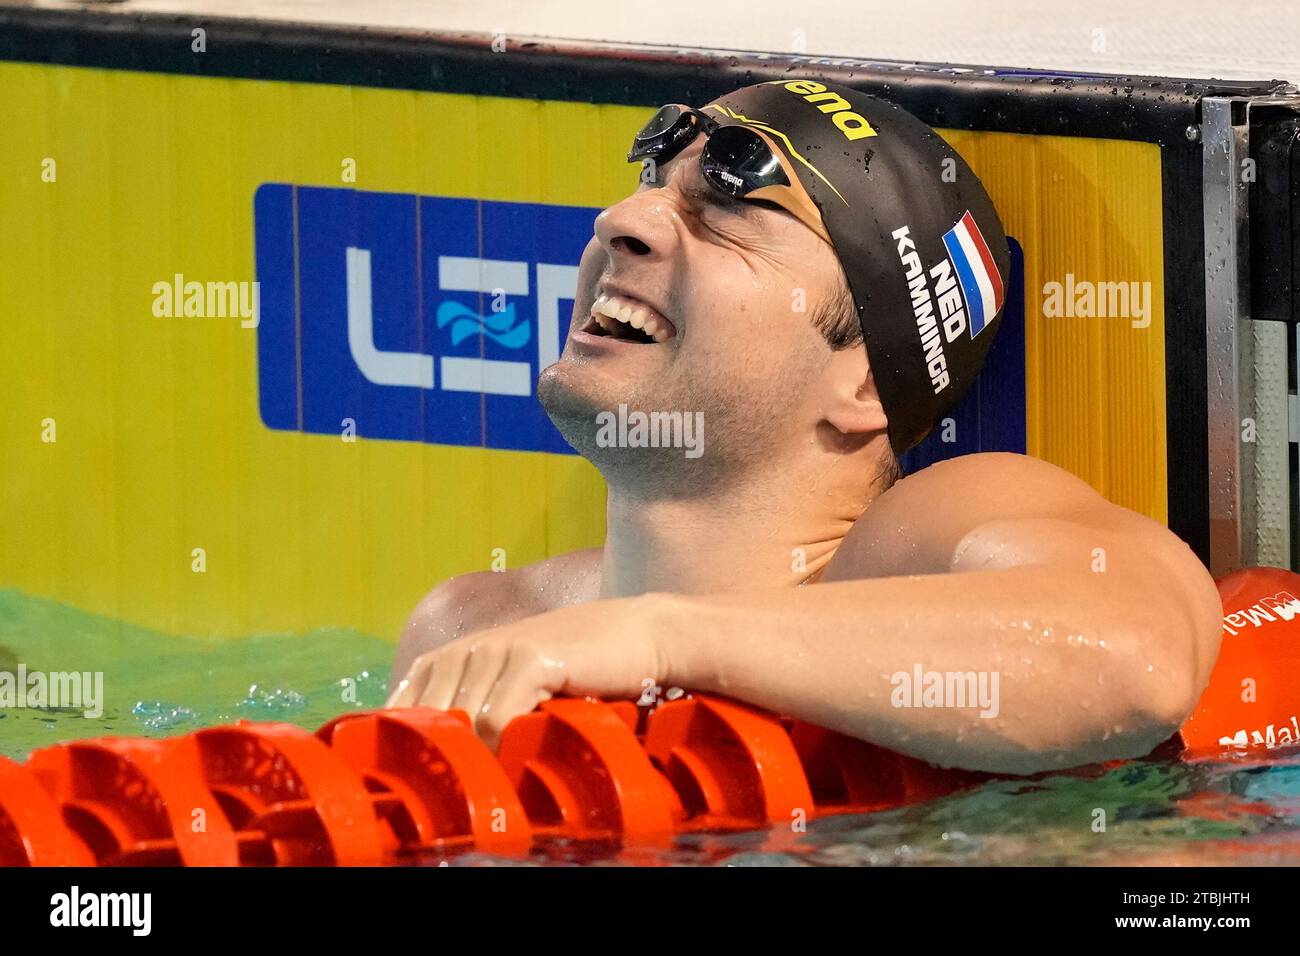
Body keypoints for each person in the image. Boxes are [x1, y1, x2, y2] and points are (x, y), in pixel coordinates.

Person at [386, 79, 1222, 776]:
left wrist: (662, 633)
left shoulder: (923, 545)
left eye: (727, 212)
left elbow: (1135, 662)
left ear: (862, 378)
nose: (620, 221)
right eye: (651, 184)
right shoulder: (477, 625)